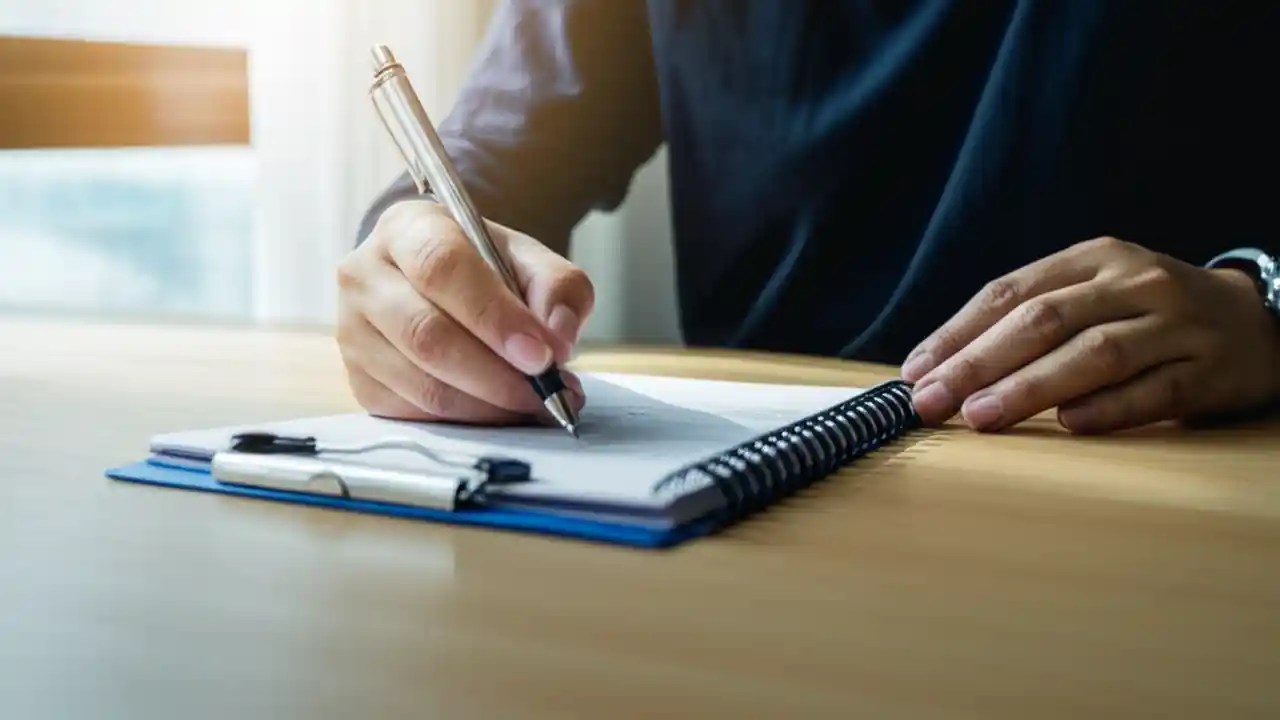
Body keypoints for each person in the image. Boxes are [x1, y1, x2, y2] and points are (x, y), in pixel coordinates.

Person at [339, 1, 1279, 434]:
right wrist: (414, 261)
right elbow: (490, 157)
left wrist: (1267, 304)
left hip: (1149, 467)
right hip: (757, 495)